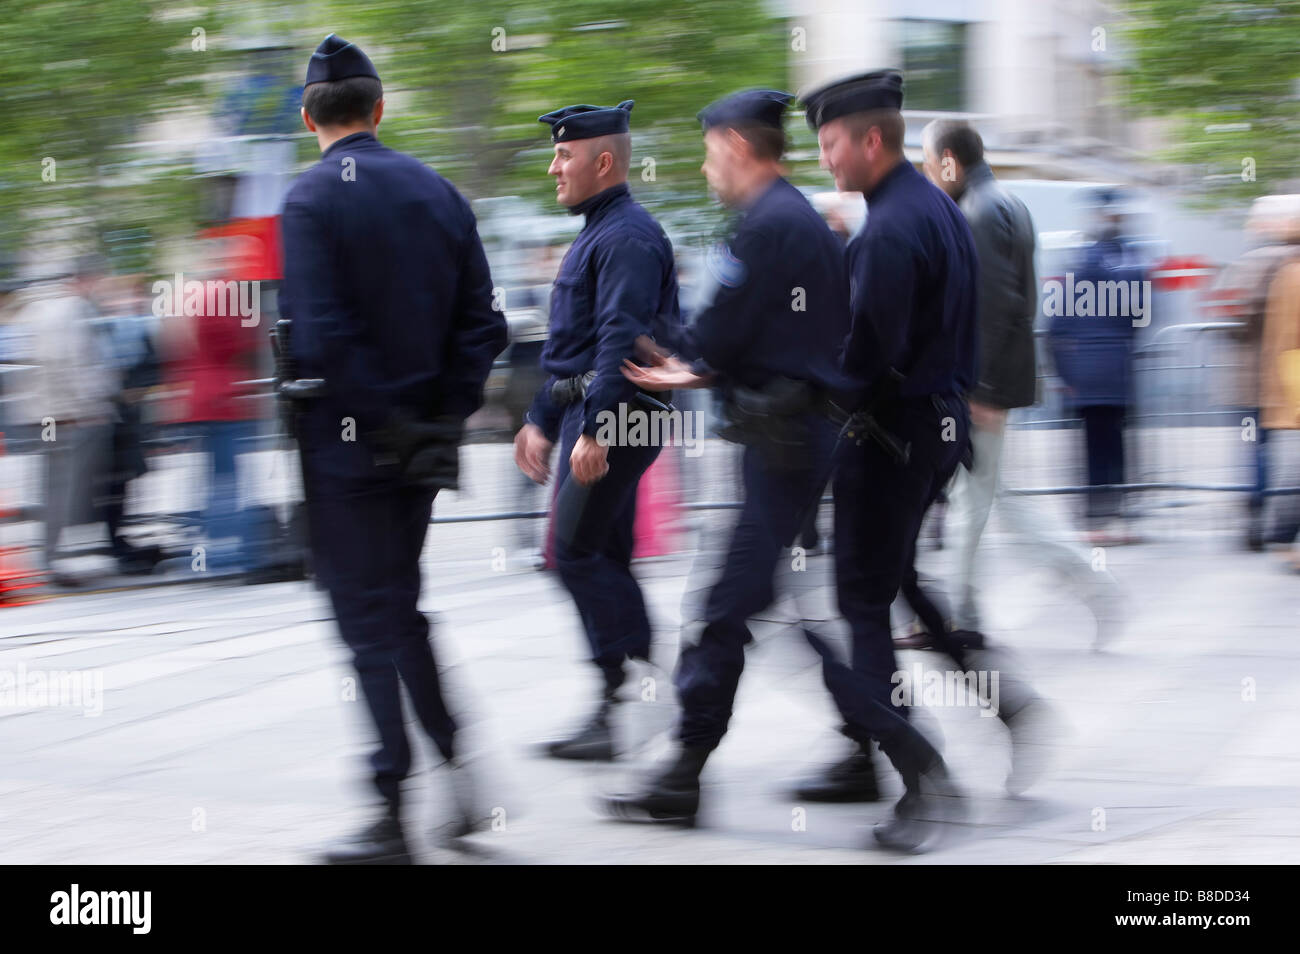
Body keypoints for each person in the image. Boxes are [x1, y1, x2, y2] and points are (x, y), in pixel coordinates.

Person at [279, 34, 507, 863]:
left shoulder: (308, 201)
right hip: (420, 452)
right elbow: (485, 326)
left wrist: (380, 423)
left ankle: (390, 810)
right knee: (399, 610)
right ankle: (457, 769)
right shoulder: (439, 192)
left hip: (347, 452)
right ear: (379, 110)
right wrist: (438, 418)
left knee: (366, 621)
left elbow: (323, 340)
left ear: (311, 118)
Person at [597, 89, 851, 824]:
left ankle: (682, 772)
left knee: (722, 608)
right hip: (795, 440)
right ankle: (869, 741)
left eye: (711, 154)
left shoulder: (765, 226)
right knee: (790, 606)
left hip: (784, 447)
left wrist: (677, 356)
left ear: (739, 148)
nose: (708, 170)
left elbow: (720, 333)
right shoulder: (796, 218)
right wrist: (697, 360)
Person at [798, 69, 983, 852]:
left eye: (832, 145)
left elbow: (866, 363)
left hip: (891, 439)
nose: (826, 162)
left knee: (862, 607)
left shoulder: (888, 232)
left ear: (871, 140)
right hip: (935, 432)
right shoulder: (937, 209)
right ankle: (995, 713)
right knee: (889, 587)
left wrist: (800, 396)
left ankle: (922, 778)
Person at [513, 98, 682, 760]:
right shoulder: (601, 232)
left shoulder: (628, 237)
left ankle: (633, 689)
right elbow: (571, 345)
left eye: (564, 154)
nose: (554, 167)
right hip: (602, 413)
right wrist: (540, 419)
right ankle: (627, 700)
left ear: (603, 160)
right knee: (602, 555)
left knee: (572, 554)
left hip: (620, 418)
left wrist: (598, 429)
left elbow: (617, 339)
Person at [914, 119, 1124, 650]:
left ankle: (958, 618)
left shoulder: (979, 214)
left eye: (926, 158)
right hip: (993, 382)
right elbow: (1018, 304)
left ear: (949, 162)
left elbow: (994, 307)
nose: (922, 170)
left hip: (983, 387)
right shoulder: (1002, 204)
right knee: (989, 498)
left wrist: (979, 388)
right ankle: (1083, 585)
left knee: (972, 500)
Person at [13, 255, 117, 587]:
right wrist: (92, 404)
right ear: (86, 279)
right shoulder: (74, 310)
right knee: (71, 490)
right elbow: (74, 362)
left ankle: (49, 558)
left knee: (52, 488)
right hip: (69, 415)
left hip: (42, 415)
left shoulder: (37, 309)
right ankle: (60, 561)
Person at [1048, 189, 1145, 544]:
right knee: (1116, 445)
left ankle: (1094, 517)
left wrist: (1064, 375)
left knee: (1090, 448)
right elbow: (1138, 318)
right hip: (1116, 371)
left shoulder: (1073, 273)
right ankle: (1115, 514)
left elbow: (1055, 330)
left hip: (1084, 376)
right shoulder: (1130, 267)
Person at [1258, 201, 1300, 567]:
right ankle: (1283, 541)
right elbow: (1290, 338)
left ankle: (1283, 540)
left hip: (1287, 389)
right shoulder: (1294, 274)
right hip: (1293, 390)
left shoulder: (1289, 270)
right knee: (1292, 468)